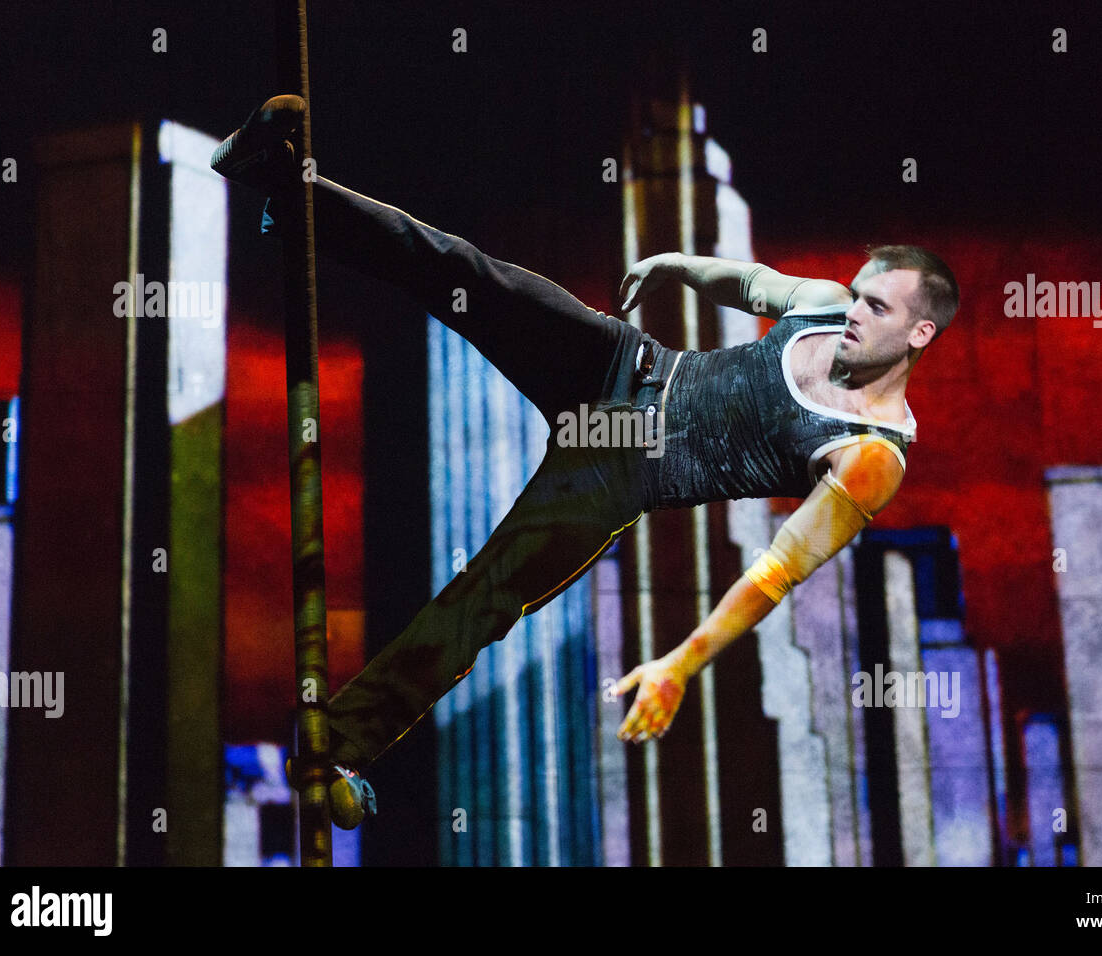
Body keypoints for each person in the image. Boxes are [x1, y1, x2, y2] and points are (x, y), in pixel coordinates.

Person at [212, 96, 958, 828]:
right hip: (621, 364)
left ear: (921, 334)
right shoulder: (827, 306)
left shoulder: (872, 456)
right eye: (860, 296)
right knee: (466, 272)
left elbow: (773, 574)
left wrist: (679, 665)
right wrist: (675, 264)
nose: (856, 312)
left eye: (879, 309)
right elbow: (755, 283)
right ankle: (284, 187)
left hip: (625, 466)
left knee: (487, 594)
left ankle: (340, 745)